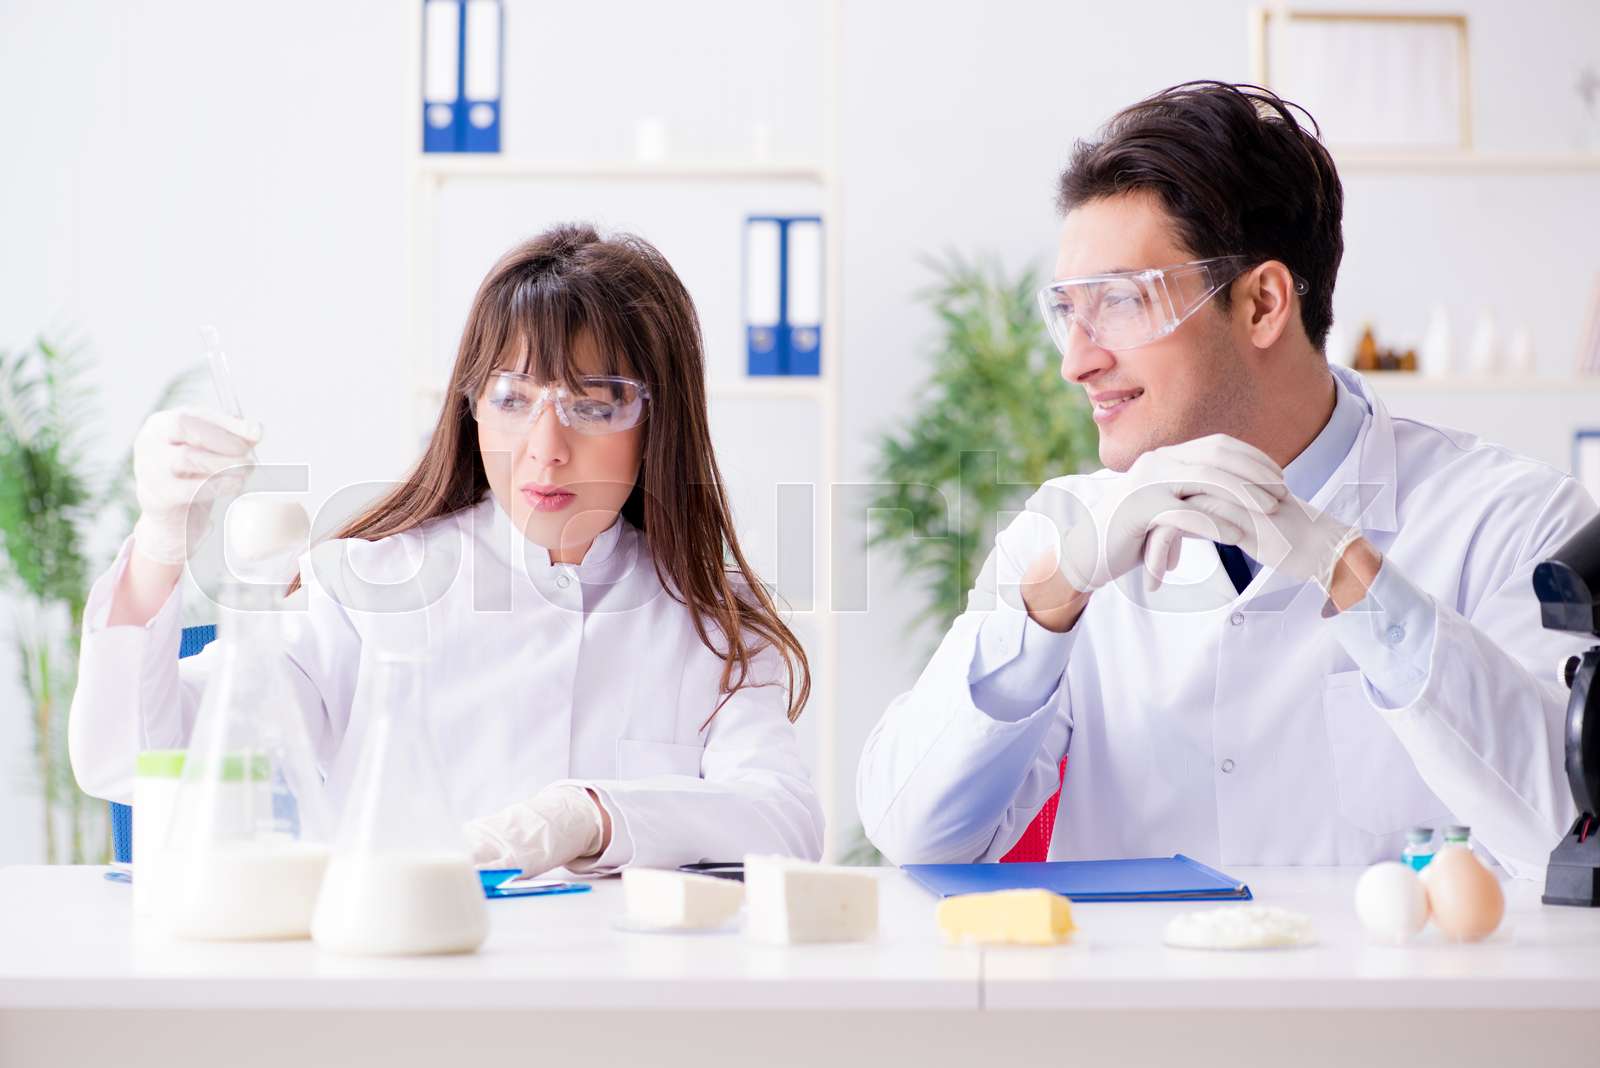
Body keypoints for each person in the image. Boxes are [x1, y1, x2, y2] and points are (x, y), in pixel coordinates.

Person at [856, 82, 1598, 879]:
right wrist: (1046, 603)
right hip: (1137, 1006)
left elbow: (1564, 835)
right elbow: (914, 833)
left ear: (1262, 304)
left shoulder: (1513, 521)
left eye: (1120, 302)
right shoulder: (1064, 535)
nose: (1077, 361)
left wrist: (1350, 576)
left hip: (1392, 1008)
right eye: (1068, 311)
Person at [69, 224, 823, 875]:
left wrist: (589, 815)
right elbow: (128, 756)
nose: (546, 449)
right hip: (411, 991)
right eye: (512, 399)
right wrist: (162, 542)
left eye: (593, 405)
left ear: (660, 420)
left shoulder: (713, 618)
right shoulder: (374, 585)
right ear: (471, 409)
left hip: (621, 1004)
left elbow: (784, 821)